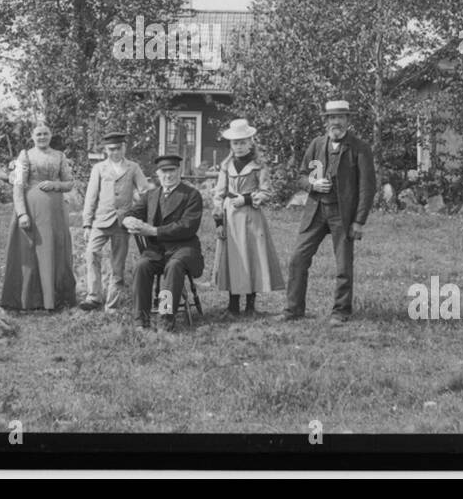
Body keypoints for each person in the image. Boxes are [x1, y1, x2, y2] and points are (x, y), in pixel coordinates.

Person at [283, 100, 377, 324]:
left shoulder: (359, 148)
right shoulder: (317, 145)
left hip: (342, 214)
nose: (336, 122)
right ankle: (293, 310)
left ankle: (340, 311)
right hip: (315, 211)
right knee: (298, 258)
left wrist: (359, 221)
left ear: (348, 120)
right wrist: (312, 185)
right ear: (326, 121)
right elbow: (302, 176)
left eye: (341, 118)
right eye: (332, 118)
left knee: (344, 265)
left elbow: (367, 188)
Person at [0, 124, 78, 311]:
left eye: (45, 134)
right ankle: (30, 299)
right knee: (31, 251)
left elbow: (69, 184)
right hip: (32, 210)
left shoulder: (59, 156)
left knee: (55, 248)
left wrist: (54, 184)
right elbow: (18, 186)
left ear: (51, 135)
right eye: (38, 134)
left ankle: (55, 299)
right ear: (32, 136)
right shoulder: (25, 155)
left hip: (55, 212)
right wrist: (22, 213)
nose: (42, 137)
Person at [212, 119, 285, 316]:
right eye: (236, 143)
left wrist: (245, 199)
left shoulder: (258, 166)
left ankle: (251, 305)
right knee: (233, 258)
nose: (240, 146)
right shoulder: (226, 165)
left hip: (251, 217)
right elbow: (219, 194)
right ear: (231, 145)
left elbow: (267, 193)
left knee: (251, 257)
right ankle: (233, 304)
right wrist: (219, 220)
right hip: (230, 219)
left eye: (243, 142)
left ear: (250, 142)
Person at [125, 154, 204, 332]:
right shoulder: (151, 195)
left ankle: (165, 320)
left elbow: (187, 227)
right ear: (157, 174)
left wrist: (154, 231)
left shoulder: (191, 195)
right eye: (164, 172)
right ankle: (140, 320)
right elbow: (133, 212)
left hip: (184, 248)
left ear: (180, 171)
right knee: (141, 265)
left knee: (174, 267)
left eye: (172, 171)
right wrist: (128, 220)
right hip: (157, 250)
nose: (168, 176)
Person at [79, 132, 150, 313]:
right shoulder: (99, 168)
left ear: (124, 148)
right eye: (111, 149)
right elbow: (91, 196)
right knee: (91, 253)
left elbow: (144, 191)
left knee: (117, 263)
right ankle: (94, 296)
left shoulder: (133, 167)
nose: (115, 152)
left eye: (118, 148)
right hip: (101, 220)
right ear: (105, 150)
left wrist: (137, 213)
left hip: (122, 223)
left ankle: (112, 304)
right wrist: (87, 223)